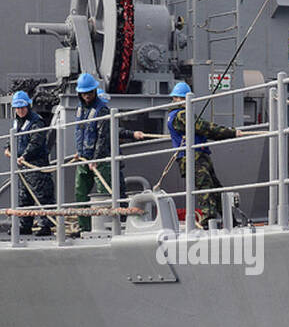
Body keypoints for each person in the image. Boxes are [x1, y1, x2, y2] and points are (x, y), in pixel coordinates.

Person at [67, 73, 147, 237]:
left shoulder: (102, 110)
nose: (87, 96)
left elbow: (104, 136)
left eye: (89, 92)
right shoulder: (81, 109)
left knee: (108, 193)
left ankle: (110, 227)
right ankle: (85, 228)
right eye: (84, 93)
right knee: (80, 192)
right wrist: (80, 152)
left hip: (102, 159)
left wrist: (96, 158)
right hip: (85, 158)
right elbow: (80, 132)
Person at [165, 81, 239, 227]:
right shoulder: (181, 115)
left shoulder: (176, 115)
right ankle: (208, 222)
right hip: (192, 157)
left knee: (215, 187)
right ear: (182, 98)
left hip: (199, 156)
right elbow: (205, 128)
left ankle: (230, 220)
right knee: (205, 187)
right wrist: (232, 132)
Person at [3, 91, 56, 236]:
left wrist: (24, 156)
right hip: (22, 165)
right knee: (24, 195)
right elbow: (13, 137)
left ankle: (46, 225)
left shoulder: (36, 122)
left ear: (28, 106)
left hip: (36, 163)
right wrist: (8, 148)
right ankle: (25, 224)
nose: (20, 110)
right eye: (17, 108)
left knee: (42, 194)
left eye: (23, 107)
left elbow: (36, 142)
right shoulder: (17, 121)